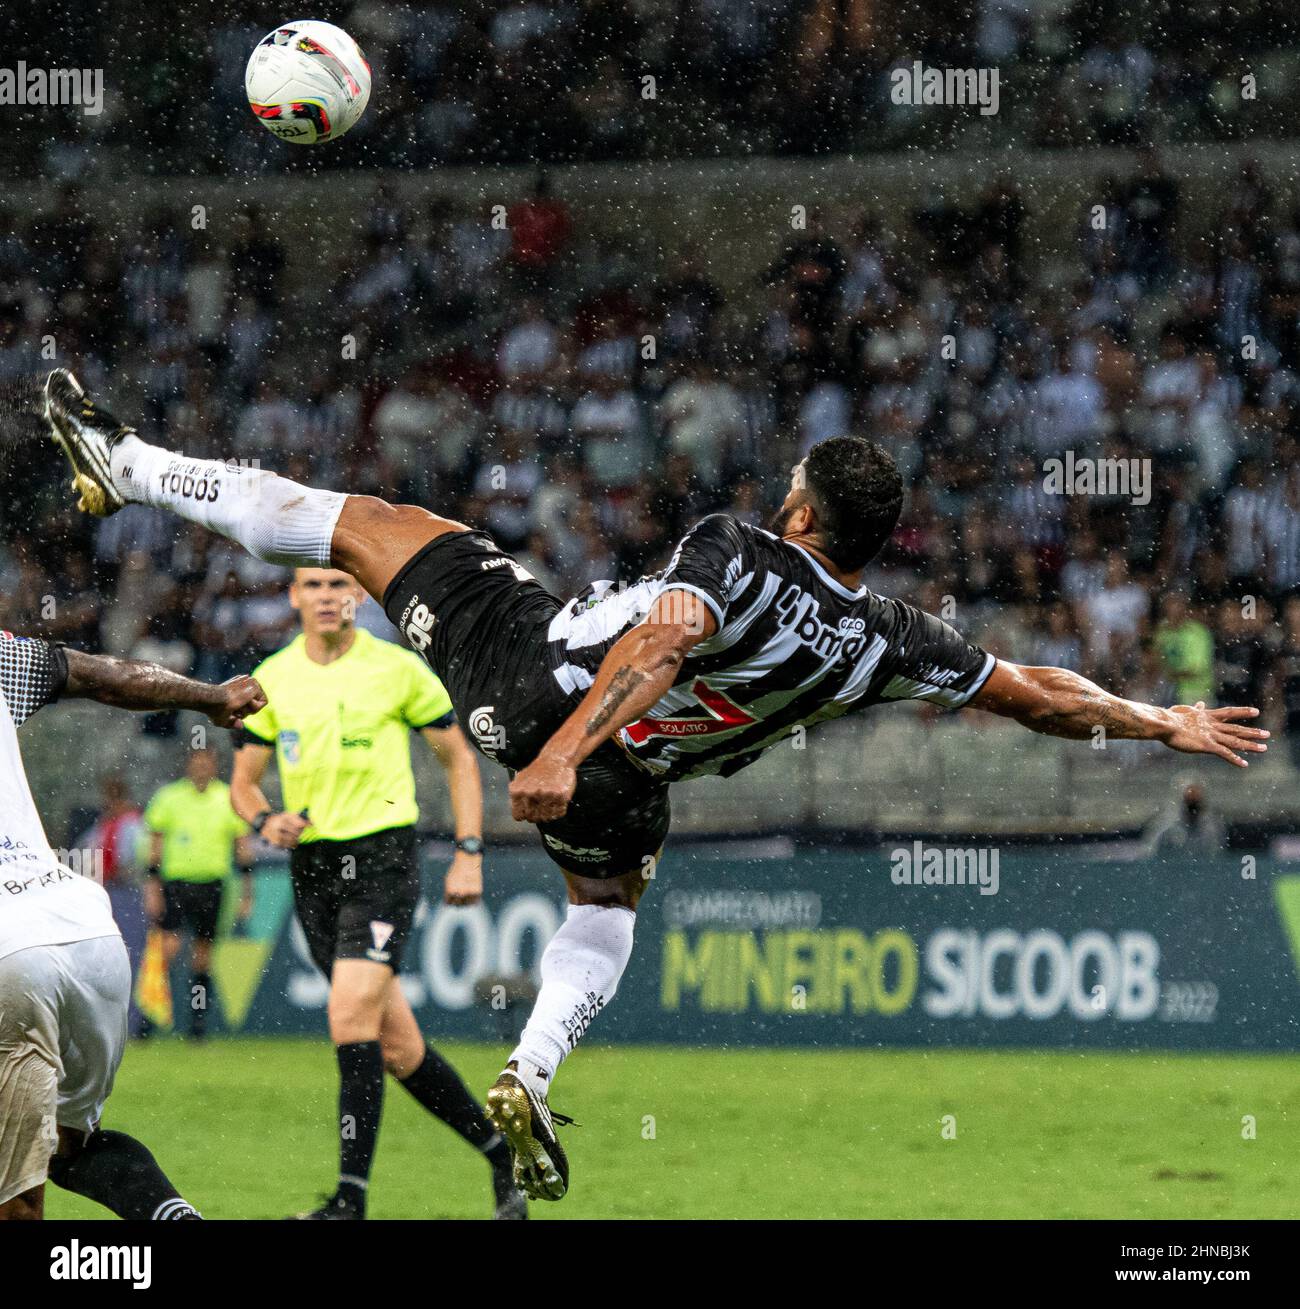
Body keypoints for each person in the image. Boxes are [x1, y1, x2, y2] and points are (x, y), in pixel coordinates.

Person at [31, 368, 1270, 1203]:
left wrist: (559, 747)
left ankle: (125, 462)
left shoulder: (735, 546)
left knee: (358, 519)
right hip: (639, 782)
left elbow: (660, 640)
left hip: (538, 679)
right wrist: (1162, 720)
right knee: (607, 910)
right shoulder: (893, 635)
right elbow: (1035, 689)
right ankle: (531, 1070)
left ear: (798, 502)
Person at [228, 564, 523, 1220]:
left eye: (339, 584)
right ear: (293, 595)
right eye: (314, 585)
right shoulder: (272, 678)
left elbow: (459, 761)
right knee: (397, 1048)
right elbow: (243, 781)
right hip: (312, 867)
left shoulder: (398, 669)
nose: (328, 596)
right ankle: (501, 1153)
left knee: (348, 1016)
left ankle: (349, 1201)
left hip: (383, 857)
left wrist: (470, 852)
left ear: (358, 594)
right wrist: (264, 819)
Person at [0, 628, 264, 1219]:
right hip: (83, 923)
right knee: (71, 1150)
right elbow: (112, 677)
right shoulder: (1, 655)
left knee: (17, 1200)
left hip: (9, 951)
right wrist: (210, 697)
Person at [142, 745, 252, 1040]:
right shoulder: (169, 798)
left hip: (211, 885)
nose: (201, 768)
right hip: (176, 885)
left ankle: (197, 1025)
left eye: (207, 762)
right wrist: (152, 888)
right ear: (188, 765)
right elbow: (155, 845)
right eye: (197, 762)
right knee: (167, 951)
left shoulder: (227, 798)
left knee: (202, 957)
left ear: (214, 766)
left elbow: (242, 847)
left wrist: (246, 893)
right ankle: (150, 1019)